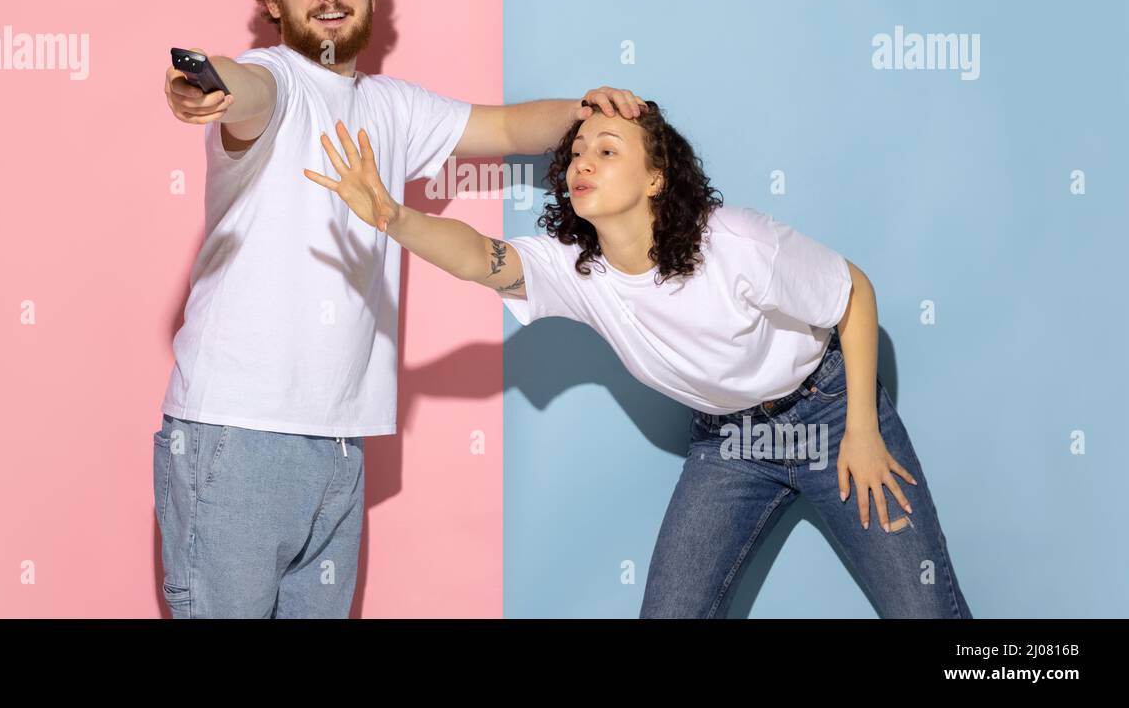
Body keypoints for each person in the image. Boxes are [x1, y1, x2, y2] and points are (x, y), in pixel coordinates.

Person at [155, 0, 645, 618]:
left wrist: (586, 112)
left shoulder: (392, 106)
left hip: (341, 445)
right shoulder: (277, 81)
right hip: (237, 435)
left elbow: (508, 129)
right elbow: (242, 84)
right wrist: (204, 85)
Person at [305, 99, 973, 618]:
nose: (581, 163)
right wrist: (393, 217)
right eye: (575, 154)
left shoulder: (734, 241)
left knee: (921, 608)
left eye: (606, 149)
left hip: (827, 414)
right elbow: (482, 258)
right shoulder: (576, 270)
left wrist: (860, 429)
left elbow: (852, 292)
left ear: (656, 178)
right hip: (730, 442)